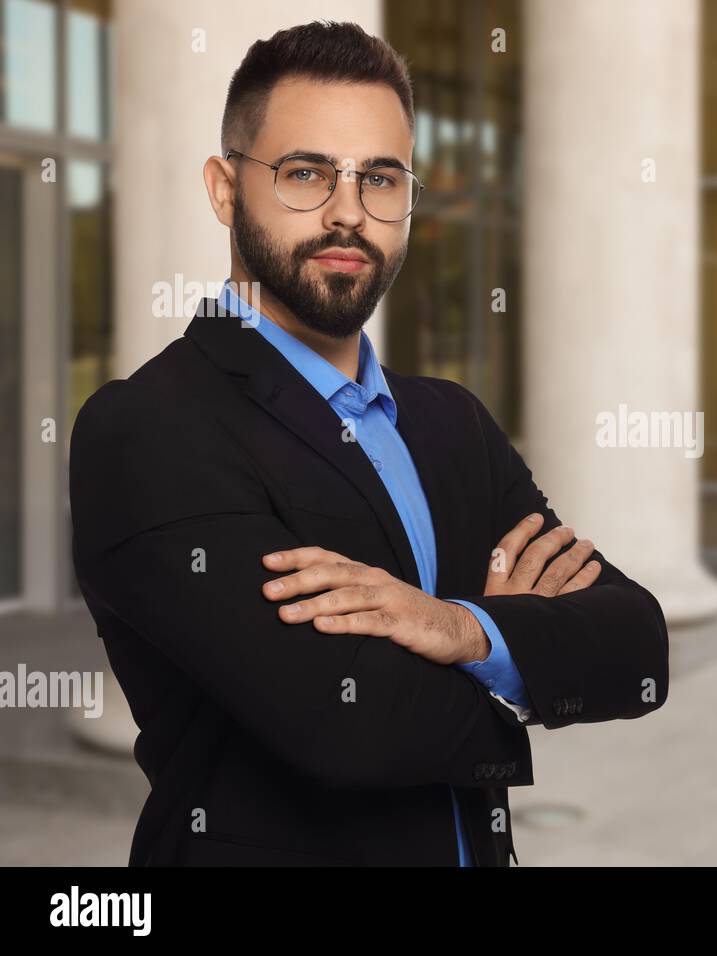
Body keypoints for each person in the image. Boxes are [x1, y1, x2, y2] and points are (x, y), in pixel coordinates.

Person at [69, 20, 669, 866]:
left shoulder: (451, 422)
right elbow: (344, 726)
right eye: (306, 173)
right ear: (224, 189)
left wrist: (459, 629)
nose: (348, 213)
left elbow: (640, 641)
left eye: (380, 178)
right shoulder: (147, 428)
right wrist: (519, 651)